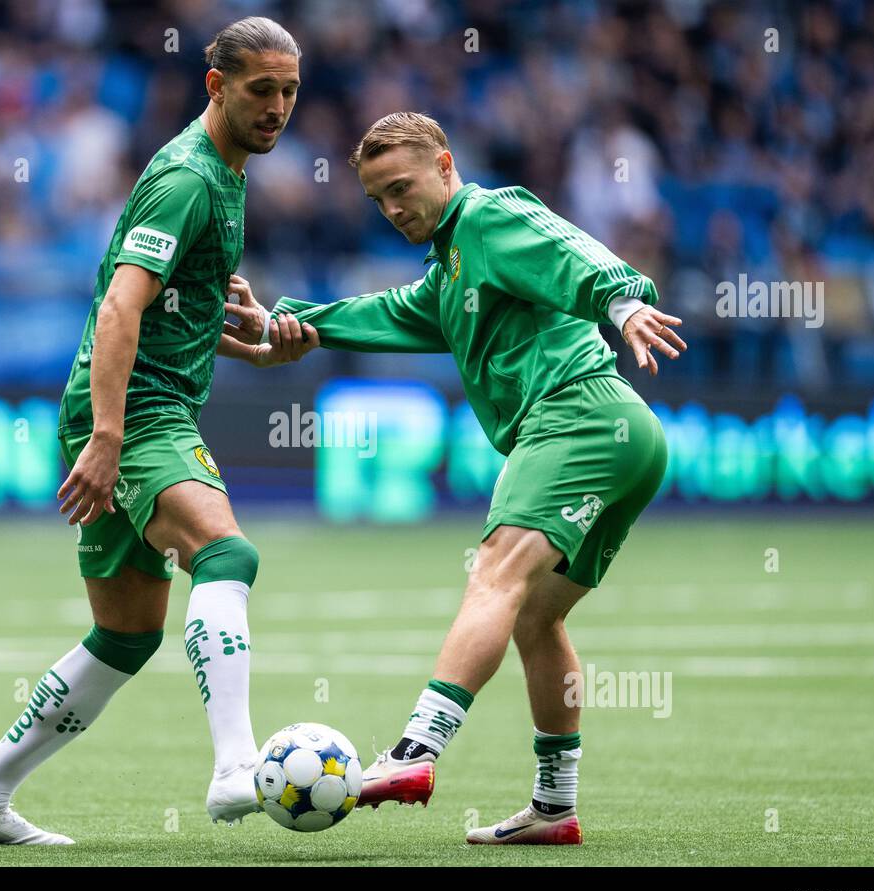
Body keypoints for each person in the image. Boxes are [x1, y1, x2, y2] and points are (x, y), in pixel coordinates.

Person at [222, 112, 686, 846]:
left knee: (493, 577)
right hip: (623, 436)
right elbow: (390, 312)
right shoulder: (452, 272)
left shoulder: (489, 216)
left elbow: (567, 250)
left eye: (402, 188)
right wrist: (288, 324)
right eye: (378, 199)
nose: (392, 208)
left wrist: (622, 298)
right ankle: (554, 806)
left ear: (445, 165)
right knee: (536, 617)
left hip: (577, 418)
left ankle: (415, 752)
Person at [0, 16, 314, 845]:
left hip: (133, 405)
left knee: (127, 634)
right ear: (216, 87)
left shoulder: (226, 171)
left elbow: (165, 301)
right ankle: (233, 766)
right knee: (226, 553)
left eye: (289, 91)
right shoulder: (189, 178)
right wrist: (107, 438)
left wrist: (241, 343)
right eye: (261, 91)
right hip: (135, 409)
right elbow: (119, 306)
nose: (279, 108)